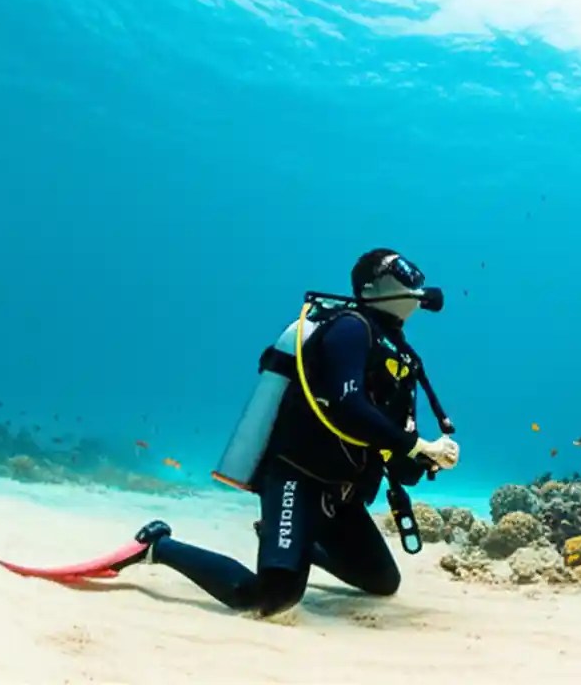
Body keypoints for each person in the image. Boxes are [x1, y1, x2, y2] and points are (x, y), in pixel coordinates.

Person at [117, 248, 460, 617]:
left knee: (382, 580)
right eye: (401, 270)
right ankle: (158, 545)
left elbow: (392, 445)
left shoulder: (402, 358)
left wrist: (423, 457)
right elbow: (349, 408)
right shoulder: (350, 328)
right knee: (272, 599)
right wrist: (416, 444)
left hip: (339, 493)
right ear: (372, 288)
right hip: (297, 476)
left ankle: (296, 545)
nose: (414, 278)